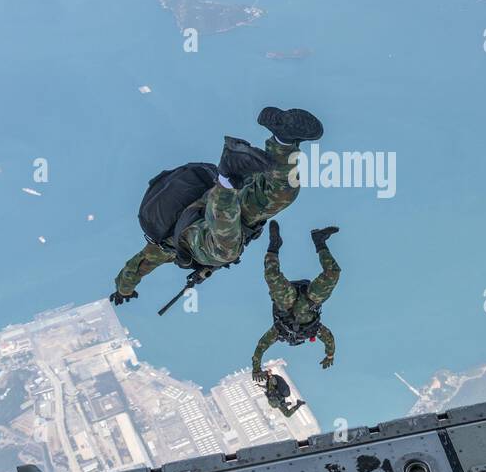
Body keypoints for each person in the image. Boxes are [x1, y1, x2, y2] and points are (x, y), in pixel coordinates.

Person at [111, 107, 322, 304]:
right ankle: (283, 139)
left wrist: (123, 291)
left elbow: (135, 268)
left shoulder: (163, 248)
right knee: (281, 194)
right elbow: (132, 269)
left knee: (224, 250)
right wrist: (124, 288)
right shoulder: (170, 247)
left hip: (206, 216)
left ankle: (228, 175)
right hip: (231, 212)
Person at [251, 221, 340, 411]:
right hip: (309, 299)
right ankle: (319, 241)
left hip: (287, 302)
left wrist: (256, 368)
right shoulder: (313, 330)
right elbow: (329, 339)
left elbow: (261, 346)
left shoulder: (279, 331)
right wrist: (330, 354)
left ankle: (274, 246)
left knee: (271, 276)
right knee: (333, 273)